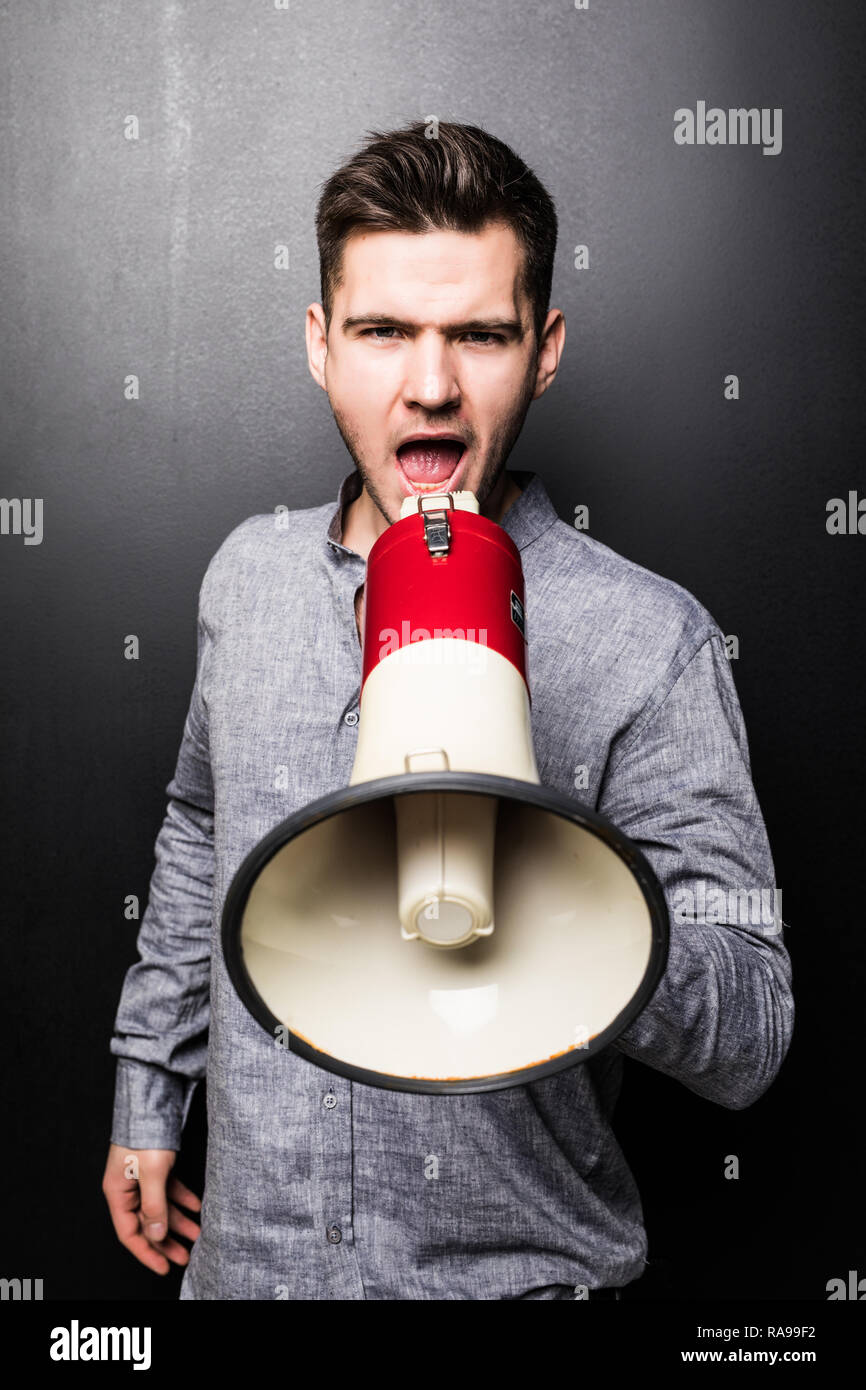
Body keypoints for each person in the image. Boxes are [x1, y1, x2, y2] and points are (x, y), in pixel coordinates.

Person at [102, 120, 794, 1300]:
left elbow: (751, 1033)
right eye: (381, 332)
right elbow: (193, 828)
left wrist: (561, 886)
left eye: (479, 334)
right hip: (248, 1278)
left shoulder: (649, 639)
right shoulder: (245, 580)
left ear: (544, 349)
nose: (430, 385)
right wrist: (148, 1091)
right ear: (320, 344)